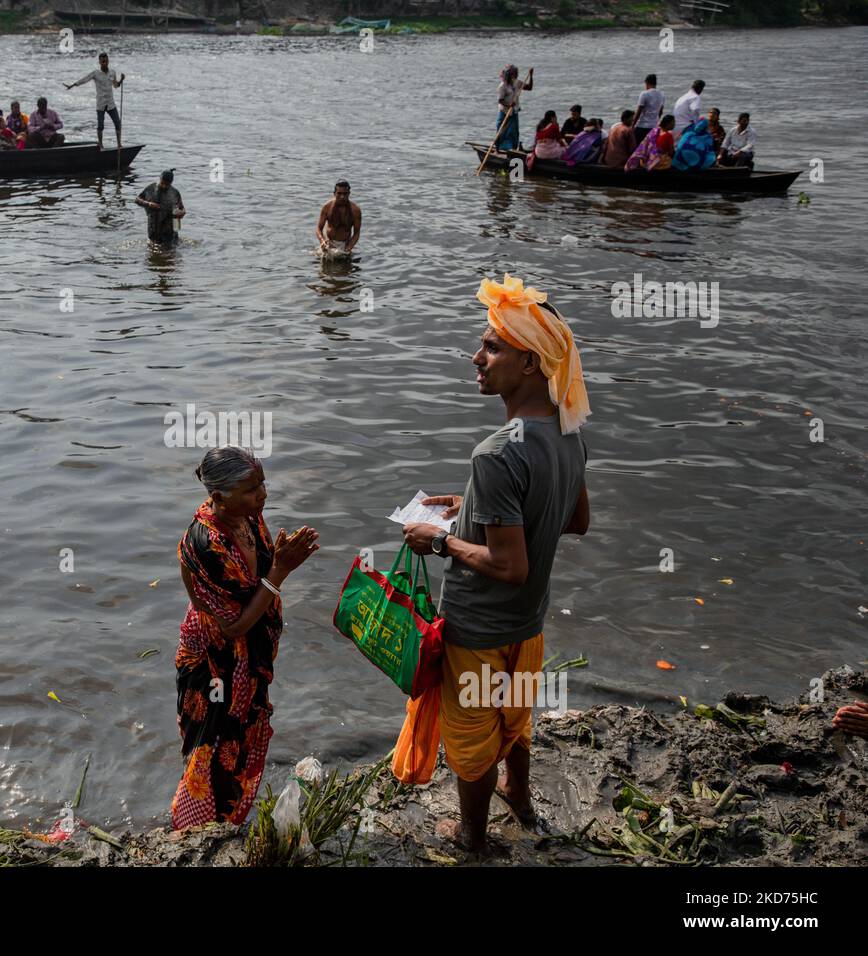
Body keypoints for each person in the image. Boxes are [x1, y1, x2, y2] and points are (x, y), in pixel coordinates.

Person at [400, 275, 590, 855]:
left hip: (481, 626)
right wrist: (473, 509)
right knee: (516, 713)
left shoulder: (496, 451)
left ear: (530, 363)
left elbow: (508, 566)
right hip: (528, 624)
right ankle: (522, 798)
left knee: (473, 735)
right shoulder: (567, 431)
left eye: (492, 347)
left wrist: (439, 542)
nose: (476, 358)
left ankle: (472, 837)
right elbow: (573, 519)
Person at [171, 447, 320, 830]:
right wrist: (281, 570)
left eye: (263, 483)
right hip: (214, 660)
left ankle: (229, 820)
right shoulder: (206, 544)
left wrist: (276, 565)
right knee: (213, 745)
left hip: (245, 659)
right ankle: (196, 828)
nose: (263, 494)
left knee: (242, 739)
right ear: (219, 497)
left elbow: (258, 584)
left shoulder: (248, 519)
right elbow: (234, 626)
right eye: (252, 488)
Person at [65, 52, 125, 151]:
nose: (104, 63)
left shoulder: (112, 72)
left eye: (105, 61)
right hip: (101, 104)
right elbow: (84, 79)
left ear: (108, 61)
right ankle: (100, 145)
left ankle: (119, 143)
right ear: (100, 62)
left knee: (117, 123)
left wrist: (121, 80)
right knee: (100, 125)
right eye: (102, 62)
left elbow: (116, 85)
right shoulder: (96, 73)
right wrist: (73, 85)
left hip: (110, 103)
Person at [136, 168, 186, 245]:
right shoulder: (151, 188)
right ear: (159, 179)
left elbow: (181, 208)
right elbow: (137, 200)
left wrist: (182, 213)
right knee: (154, 248)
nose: (164, 186)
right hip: (154, 227)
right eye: (162, 183)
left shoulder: (175, 192)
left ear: (171, 183)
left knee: (170, 249)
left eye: (167, 184)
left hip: (170, 229)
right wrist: (149, 204)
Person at [316, 180, 361, 259]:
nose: (342, 197)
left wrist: (350, 247)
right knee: (324, 271)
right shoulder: (327, 207)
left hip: (345, 246)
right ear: (334, 194)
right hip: (328, 244)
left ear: (349, 194)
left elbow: (356, 233)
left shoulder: (355, 210)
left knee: (346, 270)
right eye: (339, 193)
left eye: (345, 194)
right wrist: (322, 241)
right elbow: (319, 229)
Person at [494, 65, 533, 151]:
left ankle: (512, 148)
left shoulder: (516, 82)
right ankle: (499, 148)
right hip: (504, 112)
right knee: (501, 130)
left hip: (514, 111)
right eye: (515, 73)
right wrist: (508, 105)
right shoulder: (502, 86)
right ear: (511, 74)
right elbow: (500, 100)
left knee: (514, 132)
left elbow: (529, 87)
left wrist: (531, 75)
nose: (517, 75)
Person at [631, 73, 665, 146]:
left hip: (642, 126)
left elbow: (639, 111)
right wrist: (656, 121)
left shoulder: (644, 94)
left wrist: (632, 125)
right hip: (654, 126)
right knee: (650, 148)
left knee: (638, 148)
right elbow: (661, 111)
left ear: (647, 82)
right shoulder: (662, 94)